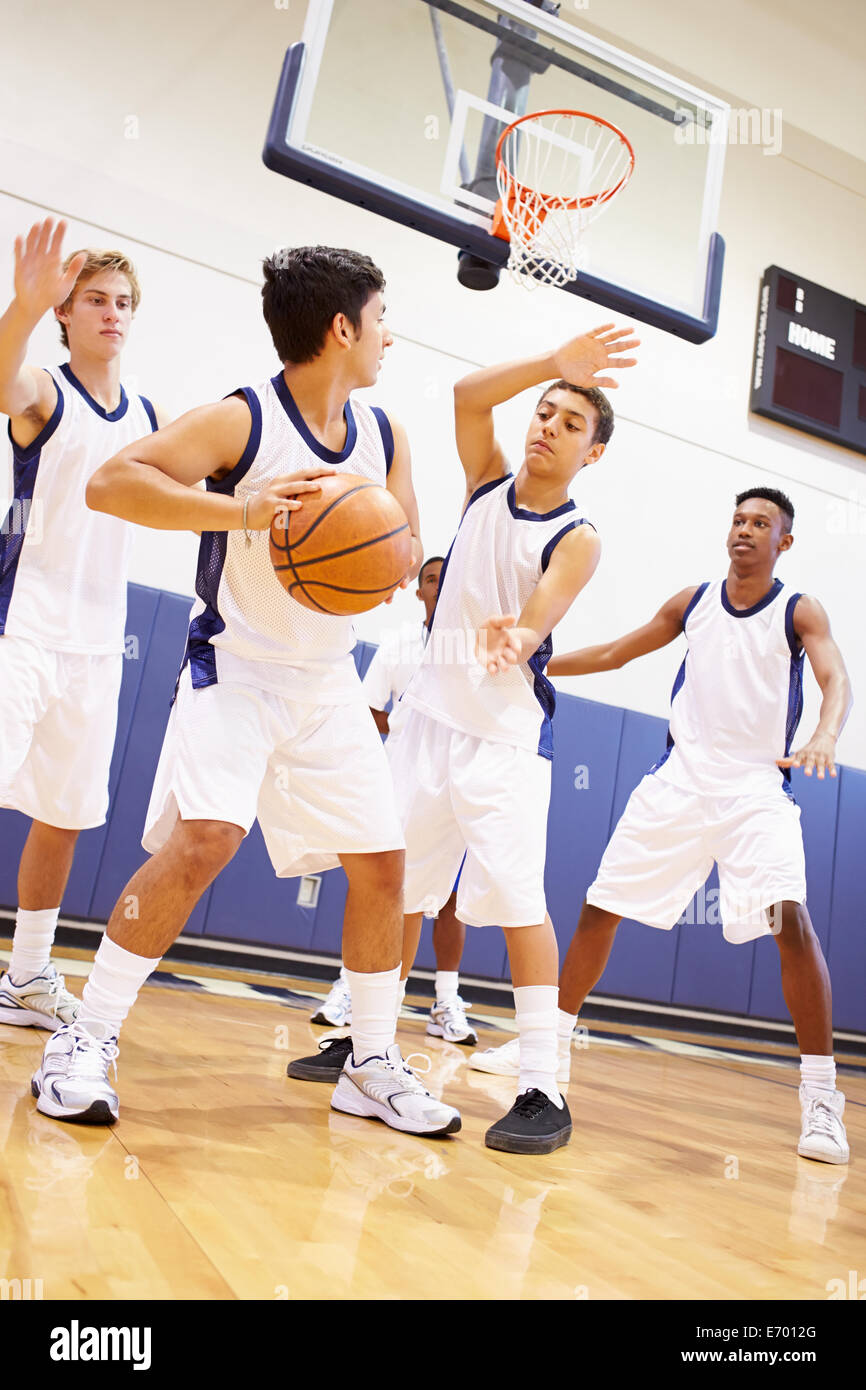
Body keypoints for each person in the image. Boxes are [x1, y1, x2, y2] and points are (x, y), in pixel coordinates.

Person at [31, 245, 460, 1140]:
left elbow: (403, 549)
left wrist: (389, 560)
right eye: (381, 319)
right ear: (342, 328)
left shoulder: (385, 435)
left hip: (326, 678)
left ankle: (371, 1062)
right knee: (205, 843)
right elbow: (115, 482)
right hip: (237, 667)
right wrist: (248, 512)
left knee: (385, 866)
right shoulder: (243, 419)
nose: (390, 337)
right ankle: (86, 1037)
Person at [289, 323, 639, 1154]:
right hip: (426, 726)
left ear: (593, 453)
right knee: (392, 888)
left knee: (519, 904)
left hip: (504, 742)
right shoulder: (486, 482)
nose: (548, 425)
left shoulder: (577, 535)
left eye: (570, 422)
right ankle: (368, 1045)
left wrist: (519, 636)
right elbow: (467, 395)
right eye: (546, 413)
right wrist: (552, 364)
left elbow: (546, 606)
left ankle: (543, 1088)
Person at [472, 489, 852, 1165]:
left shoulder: (799, 610)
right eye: (737, 519)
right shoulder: (693, 600)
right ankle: (546, 1049)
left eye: (760, 524)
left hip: (755, 786)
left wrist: (825, 732)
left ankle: (822, 1097)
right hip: (679, 779)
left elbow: (835, 677)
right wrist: (533, 659)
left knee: (790, 921)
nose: (744, 530)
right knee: (599, 907)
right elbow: (619, 651)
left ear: (783, 542)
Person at [0, 218, 159, 1031]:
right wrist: (23, 307)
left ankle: (27, 975)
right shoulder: (45, 389)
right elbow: (3, 387)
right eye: (94, 299)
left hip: (98, 643)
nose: (111, 312)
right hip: (20, 626)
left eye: (123, 302)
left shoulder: (148, 416)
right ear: (67, 313)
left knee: (63, 815)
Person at [312, 554, 478, 1046]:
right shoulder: (400, 644)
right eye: (429, 577)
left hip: (456, 776)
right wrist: (409, 723)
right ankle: (354, 987)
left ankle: (444, 999)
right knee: (382, 882)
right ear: (418, 591)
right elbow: (368, 706)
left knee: (448, 894)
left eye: (448, 575)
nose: (439, 583)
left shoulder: (474, 646)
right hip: (399, 773)